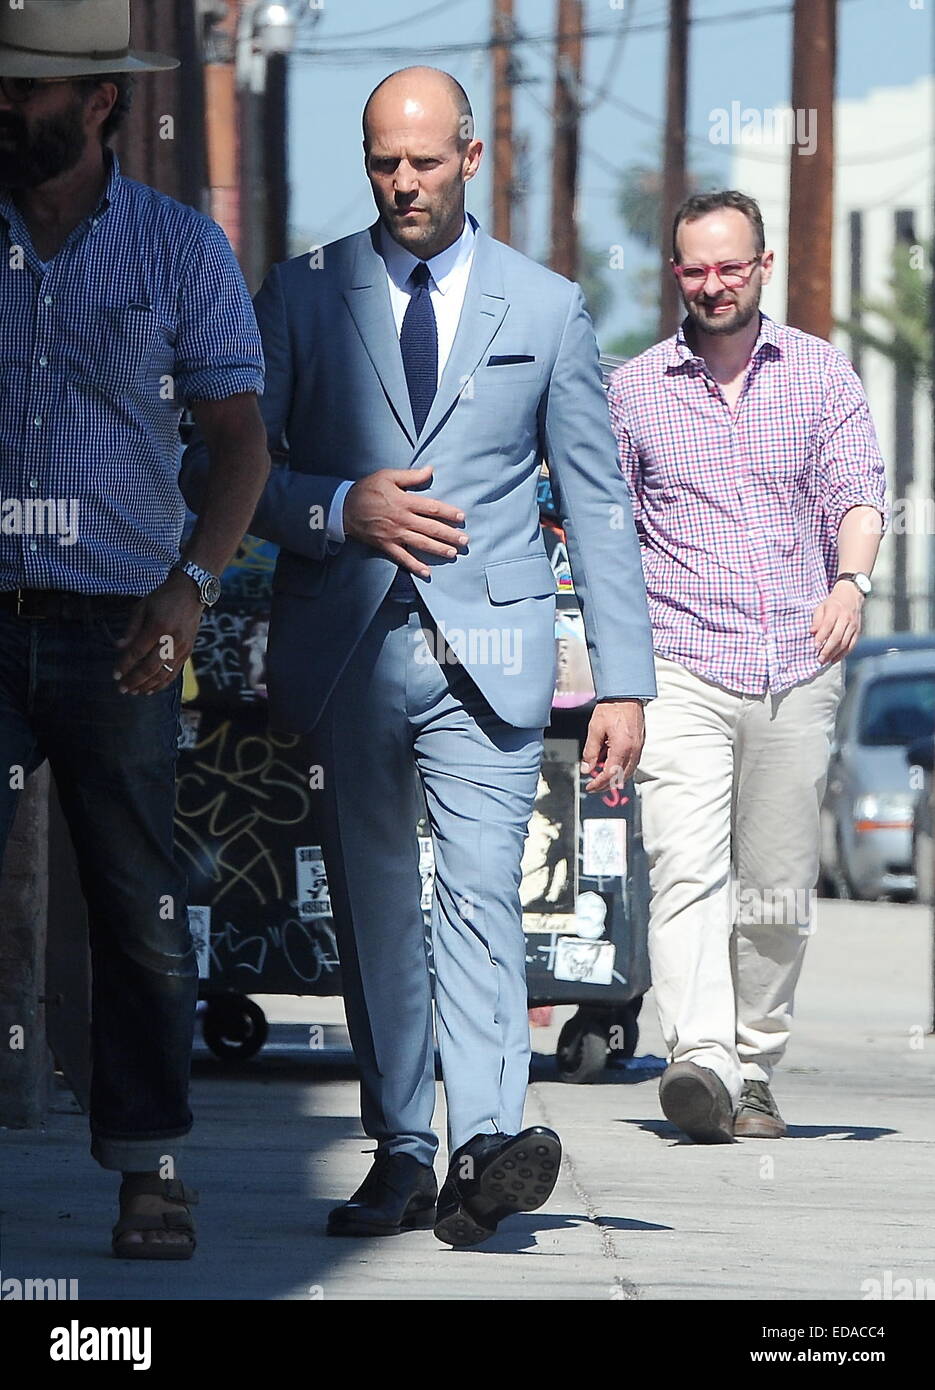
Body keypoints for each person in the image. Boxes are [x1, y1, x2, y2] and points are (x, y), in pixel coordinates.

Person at [182, 66, 655, 1246]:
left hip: (490, 650)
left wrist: (623, 678)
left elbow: (595, 502)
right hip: (345, 647)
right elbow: (217, 468)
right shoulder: (298, 293)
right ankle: (400, 1148)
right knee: (380, 903)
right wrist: (342, 507)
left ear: (472, 157)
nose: (402, 182)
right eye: (383, 162)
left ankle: (487, 1140)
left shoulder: (547, 308)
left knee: (483, 893)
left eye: (424, 161)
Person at [0, 0, 270, 1256]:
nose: (6, 107)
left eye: (30, 92)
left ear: (103, 99)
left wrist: (190, 588)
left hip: (123, 625)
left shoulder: (175, 250)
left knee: (137, 906)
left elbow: (237, 444)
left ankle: (149, 1164)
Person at [608, 190, 886, 1143]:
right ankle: (700, 1060)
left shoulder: (819, 375)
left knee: (772, 887)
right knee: (682, 865)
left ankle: (755, 1062)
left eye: (730, 266)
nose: (712, 283)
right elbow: (609, 535)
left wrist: (849, 581)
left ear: (763, 266)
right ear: (673, 273)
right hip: (681, 664)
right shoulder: (635, 390)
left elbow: (857, 490)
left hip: (795, 667)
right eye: (694, 268)